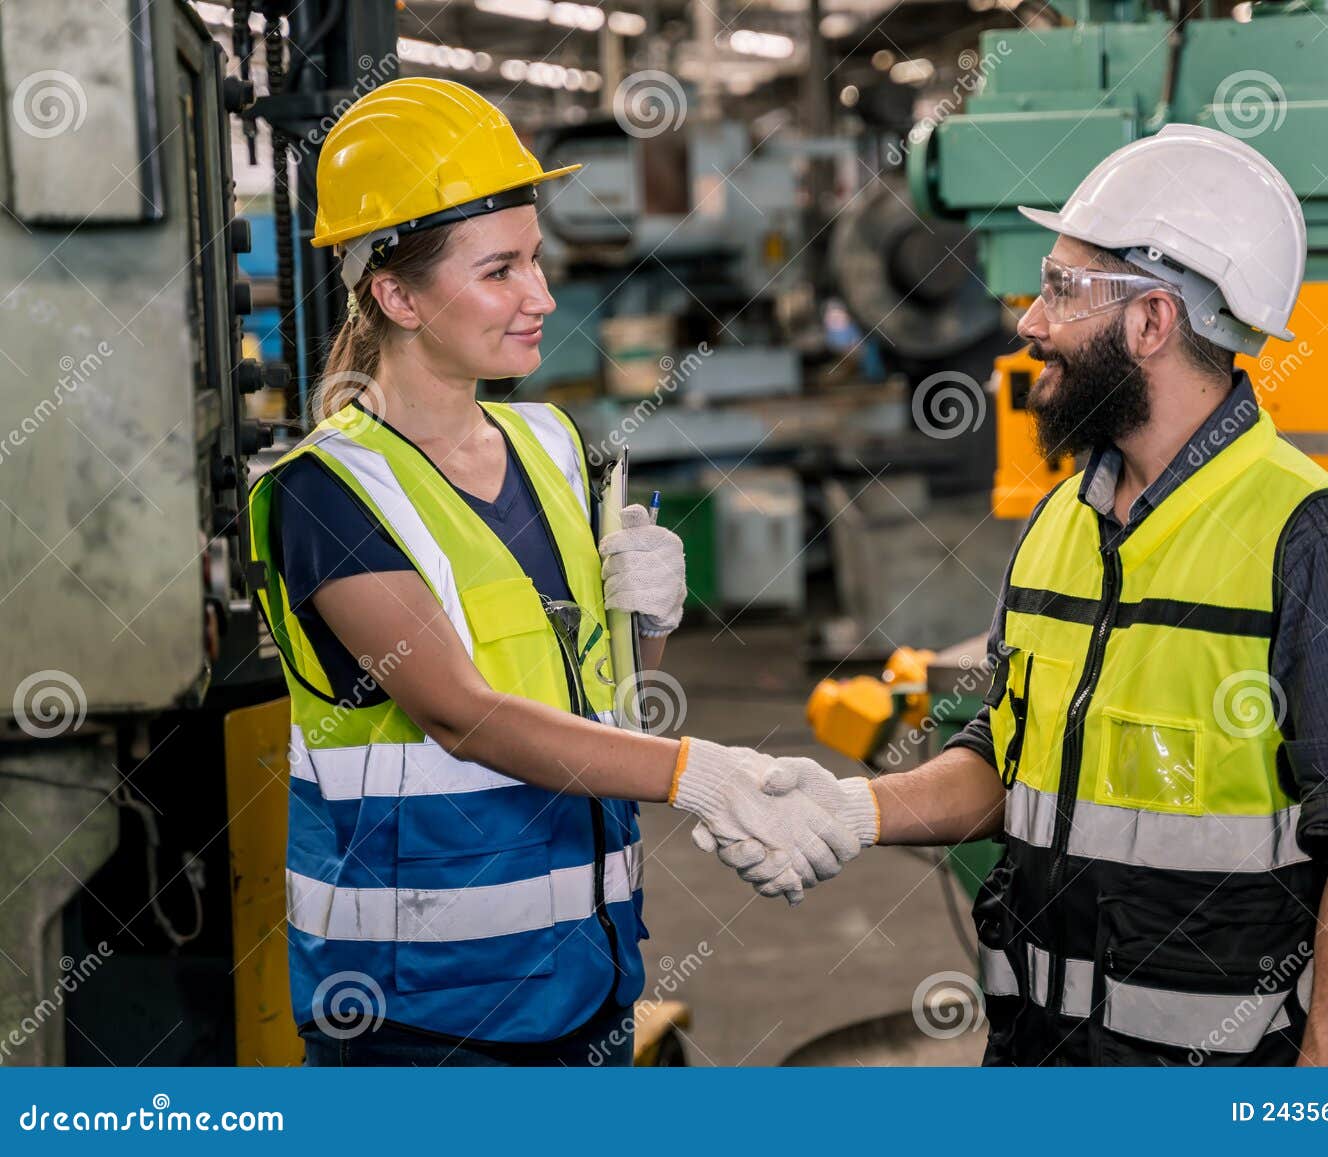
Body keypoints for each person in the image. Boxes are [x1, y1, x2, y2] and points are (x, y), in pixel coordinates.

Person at [705, 125, 1328, 1067]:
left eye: (1062, 289)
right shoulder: (1061, 520)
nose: (1029, 320)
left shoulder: (1313, 539)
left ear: (1153, 321)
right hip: (1038, 1056)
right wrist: (856, 811)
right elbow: (1005, 759)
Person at [245, 77, 878, 1067]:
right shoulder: (329, 491)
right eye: (499, 270)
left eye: (535, 261)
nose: (540, 297)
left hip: (591, 970)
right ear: (396, 293)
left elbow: (598, 694)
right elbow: (462, 712)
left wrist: (649, 618)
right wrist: (701, 772)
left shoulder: (548, 441)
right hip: (424, 1016)